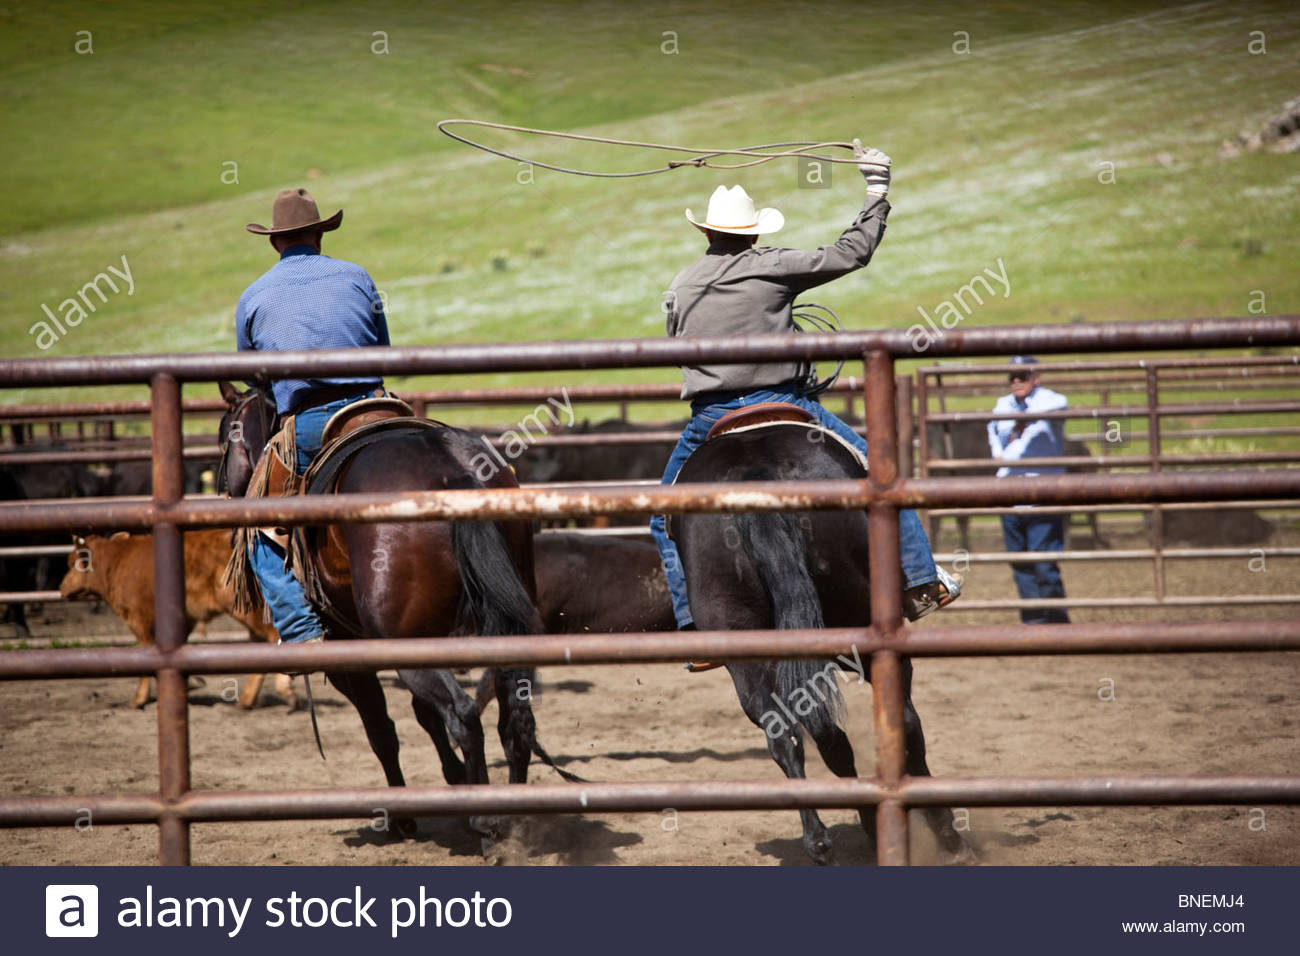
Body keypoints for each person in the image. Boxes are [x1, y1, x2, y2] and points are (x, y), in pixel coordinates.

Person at [650, 140, 961, 632]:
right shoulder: (770, 265)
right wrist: (876, 189)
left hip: (711, 416)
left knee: (661, 513)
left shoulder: (681, 285)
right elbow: (850, 254)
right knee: (880, 476)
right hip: (781, 402)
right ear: (751, 234)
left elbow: (676, 341)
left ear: (706, 231)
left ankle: (693, 622)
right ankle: (922, 579)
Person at [235, 187, 390, 644]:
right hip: (376, 406)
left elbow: (252, 375)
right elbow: (381, 349)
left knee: (257, 525)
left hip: (310, 424)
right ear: (320, 235)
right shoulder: (357, 276)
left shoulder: (254, 295)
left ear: (273, 241)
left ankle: (303, 634)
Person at [987, 356, 1071, 624]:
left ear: (1036, 377)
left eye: (1022, 376)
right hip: (1010, 492)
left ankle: (1056, 620)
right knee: (1020, 560)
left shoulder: (1051, 400)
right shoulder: (1002, 405)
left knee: (1043, 561)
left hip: (1042, 491)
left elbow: (1060, 406)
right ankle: (1033, 622)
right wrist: (998, 455)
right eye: (1012, 376)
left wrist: (1025, 416)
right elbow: (993, 431)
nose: (1015, 381)